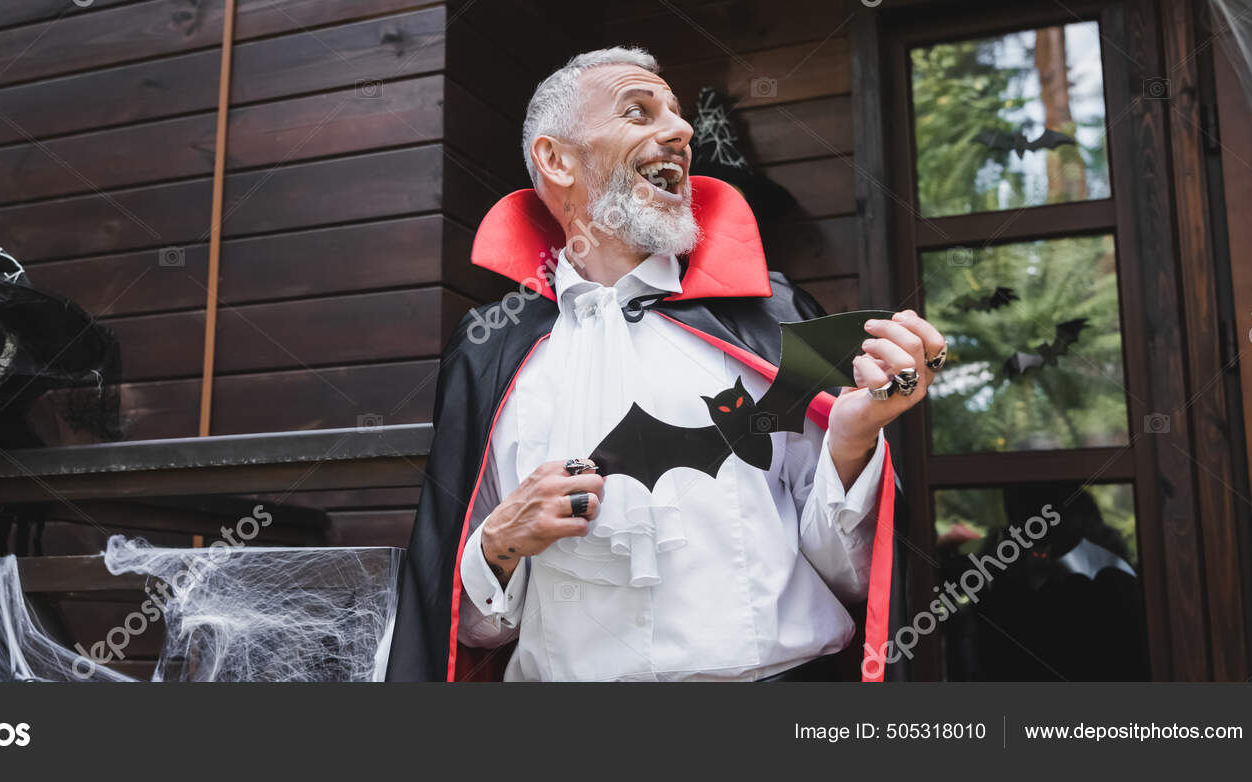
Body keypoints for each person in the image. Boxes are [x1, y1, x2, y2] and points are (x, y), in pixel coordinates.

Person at [387, 47, 946, 681]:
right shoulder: (489, 351)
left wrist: (850, 441)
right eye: (638, 111)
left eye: (678, 115)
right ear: (555, 160)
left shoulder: (772, 317)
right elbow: (469, 631)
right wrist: (500, 543)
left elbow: (851, 578)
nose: (680, 131)